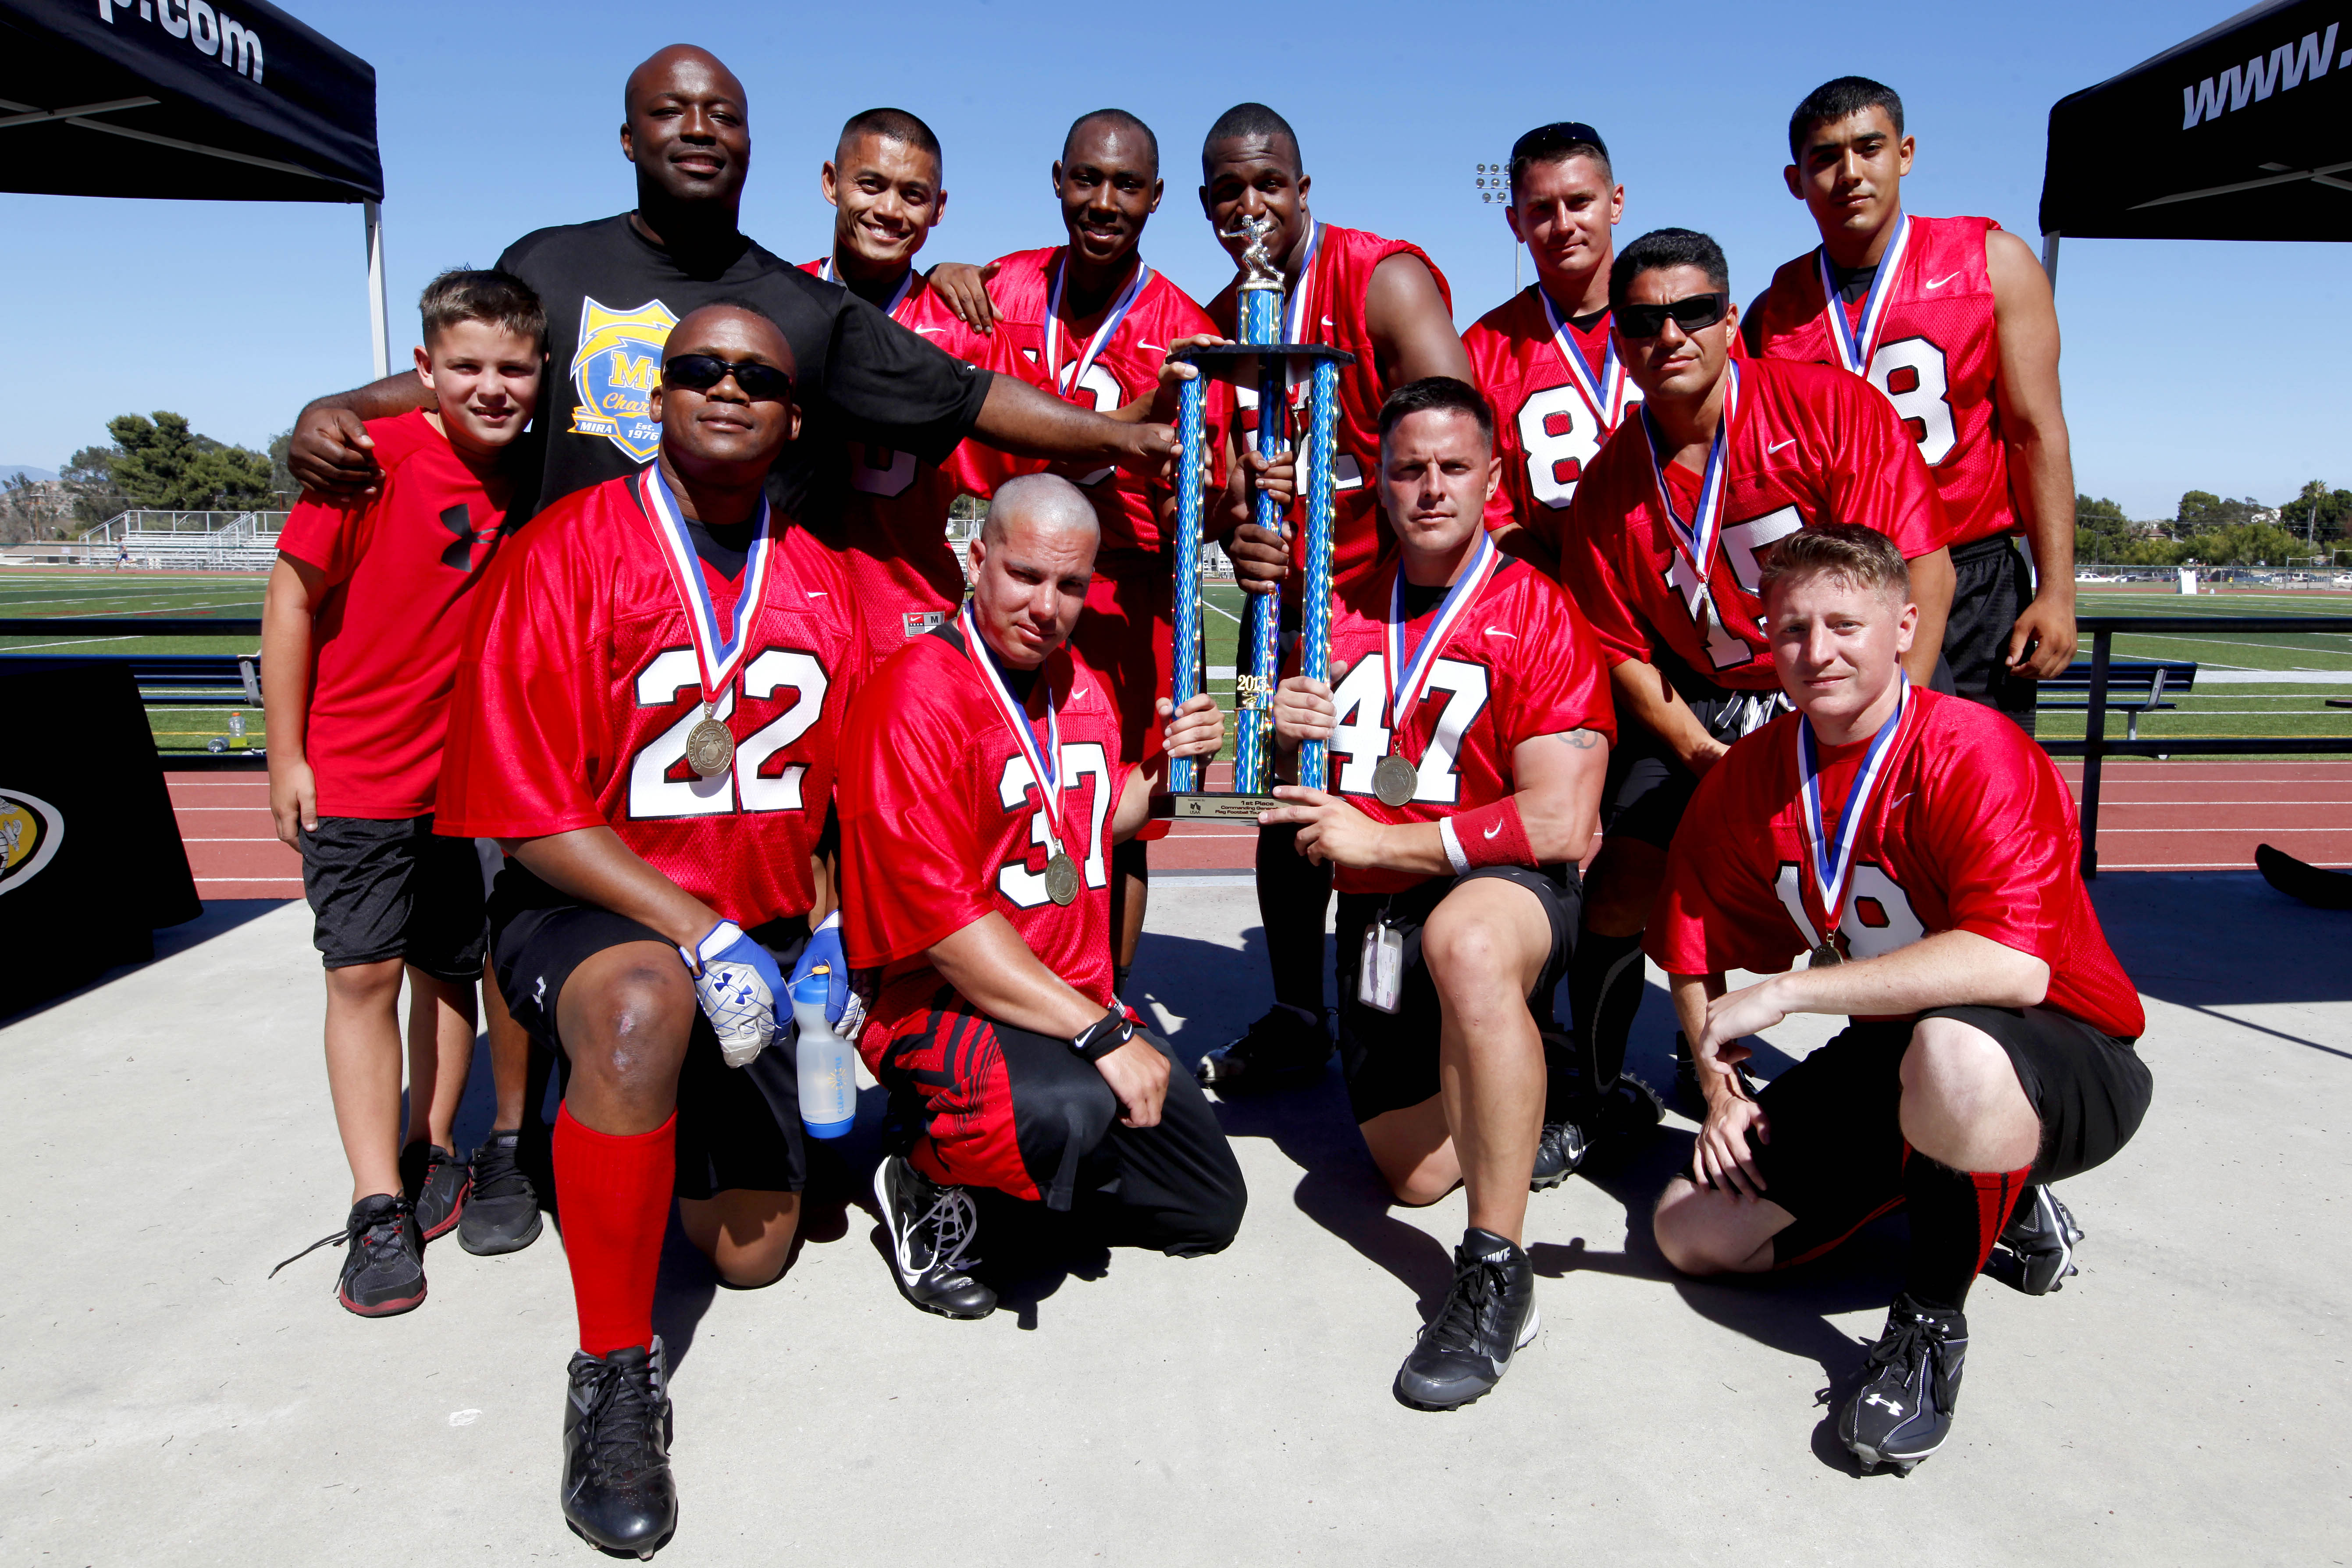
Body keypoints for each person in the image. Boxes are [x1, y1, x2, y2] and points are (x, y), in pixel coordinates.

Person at [435, 304, 865, 1555]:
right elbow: (521, 810)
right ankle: (614, 1378)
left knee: (750, 1257)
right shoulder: (567, 547)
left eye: (758, 377)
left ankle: (636, 1140)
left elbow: (839, 796)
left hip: (765, 931)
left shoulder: (822, 572)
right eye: (700, 369)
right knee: (640, 1009)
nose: (727, 388)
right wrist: (692, 926)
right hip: (600, 913)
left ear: (792, 416)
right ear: (657, 395)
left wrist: (827, 933)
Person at [1647, 523, 2149, 1473]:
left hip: (2060, 1048)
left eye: (1845, 623)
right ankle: (1976, 1196)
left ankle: (1928, 1324)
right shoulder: (1755, 772)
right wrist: (1720, 1094)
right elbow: (1692, 940)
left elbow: (2014, 967)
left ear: (1903, 626)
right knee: (1693, 1231)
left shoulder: (1974, 751)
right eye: (1792, 628)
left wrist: (1793, 992)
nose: (1817, 651)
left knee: (1955, 1054)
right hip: (1895, 1053)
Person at [283, 46, 1175, 530]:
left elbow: (970, 397)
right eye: (669, 110)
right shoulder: (548, 264)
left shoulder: (801, 309)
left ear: (751, 145)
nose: (698, 127)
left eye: (723, 115)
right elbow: (471, 382)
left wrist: (1117, 435)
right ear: (628, 138)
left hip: (720, 637)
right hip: (558, 621)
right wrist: (344, 405)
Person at [1556, 228, 1958, 1158]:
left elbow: (1919, 576)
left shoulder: (1830, 410)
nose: (1672, 335)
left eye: (1694, 311)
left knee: (1904, 906)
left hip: (1846, 694)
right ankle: (1599, 1089)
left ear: (1731, 320)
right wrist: (1703, 753)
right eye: (1645, 320)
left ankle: (1950, 1123)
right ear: (1618, 339)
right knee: (1621, 885)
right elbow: (1619, 650)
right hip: (1704, 701)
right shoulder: (1611, 483)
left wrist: (1894, 729)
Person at [1261, 378, 1612, 1409]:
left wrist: (1388, 837)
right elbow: (1299, 790)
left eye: (1452, 467)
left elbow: (1558, 822)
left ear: (1493, 480)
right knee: (1410, 1174)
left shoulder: (1535, 611)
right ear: (1376, 476)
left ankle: (1499, 1272)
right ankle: (1519, 1087)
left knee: (1467, 944)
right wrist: (1286, 732)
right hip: (1376, 914)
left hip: (1492, 889)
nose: (1429, 488)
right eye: (1408, 467)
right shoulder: (1335, 605)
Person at [837, 473, 1245, 1321]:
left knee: (1206, 1205)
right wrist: (1101, 1033)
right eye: (1025, 575)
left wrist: (1164, 779)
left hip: (1063, 996)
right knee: (1065, 1109)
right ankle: (921, 1167)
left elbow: (1091, 824)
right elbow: (949, 932)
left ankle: (1022, 1178)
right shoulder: (915, 693)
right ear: (976, 558)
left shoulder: (1078, 682)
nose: (1046, 606)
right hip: (948, 1002)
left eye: (1069, 585)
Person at [262, 270, 546, 1316]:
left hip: (468, 781)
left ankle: (436, 1149)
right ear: (422, 372)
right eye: (465, 366)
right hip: (360, 770)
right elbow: (292, 601)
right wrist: (287, 757)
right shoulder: (369, 462)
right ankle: (376, 1201)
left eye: (512, 368)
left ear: (540, 374)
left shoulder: (534, 473)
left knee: (450, 969)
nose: (490, 387)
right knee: (360, 976)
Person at [1188, 101, 1478, 1091]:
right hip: (1305, 604)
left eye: (1269, 184)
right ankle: (1295, 1008)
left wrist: (1335, 487)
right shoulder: (1225, 318)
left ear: (1304, 192)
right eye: (1229, 191)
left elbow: (1455, 437)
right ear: (1206, 205)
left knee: (1408, 788)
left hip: (1395, 590)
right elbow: (1229, 487)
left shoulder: (1381, 276)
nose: (1251, 206)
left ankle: (1461, 994)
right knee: (1279, 786)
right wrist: (1246, 535)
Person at [950, 108, 1232, 1000]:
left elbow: (1211, 499)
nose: (1103, 202)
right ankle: (985, 998)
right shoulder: (997, 290)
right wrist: (932, 272)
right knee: (985, 787)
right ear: (1058, 179)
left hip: (1121, 602)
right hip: (1006, 588)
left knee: (1117, 814)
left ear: (1154, 199)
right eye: (1086, 179)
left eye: (1125, 186)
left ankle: (1107, 996)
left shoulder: (1188, 329)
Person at [1746, 77, 2077, 733]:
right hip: (1842, 589)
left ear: (1905, 153)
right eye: (1825, 157)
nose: (1849, 174)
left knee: (1973, 784)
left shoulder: (1993, 262)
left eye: (1868, 149)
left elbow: (2035, 435)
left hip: (1970, 568)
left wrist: (2057, 590)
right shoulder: (1773, 310)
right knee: (1856, 797)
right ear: (1795, 180)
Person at [799, 107, 1022, 665]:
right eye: (871, 185)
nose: (889, 211)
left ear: (939, 208)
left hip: (906, 613)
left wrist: (1134, 424)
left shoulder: (965, 329)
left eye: (913, 194)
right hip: (784, 604)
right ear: (831, 183)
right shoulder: (780, 300)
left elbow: (1040, 457)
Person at [1464, 121, 1638, 575]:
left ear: (1615, 203)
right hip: (1560, 603)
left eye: (1579, 202)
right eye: (1541, 209)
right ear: (1514, 222)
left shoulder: (1681, 319)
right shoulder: (1483, 349)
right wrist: (1565, 597)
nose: (1563, 225)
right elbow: (1490, 508)